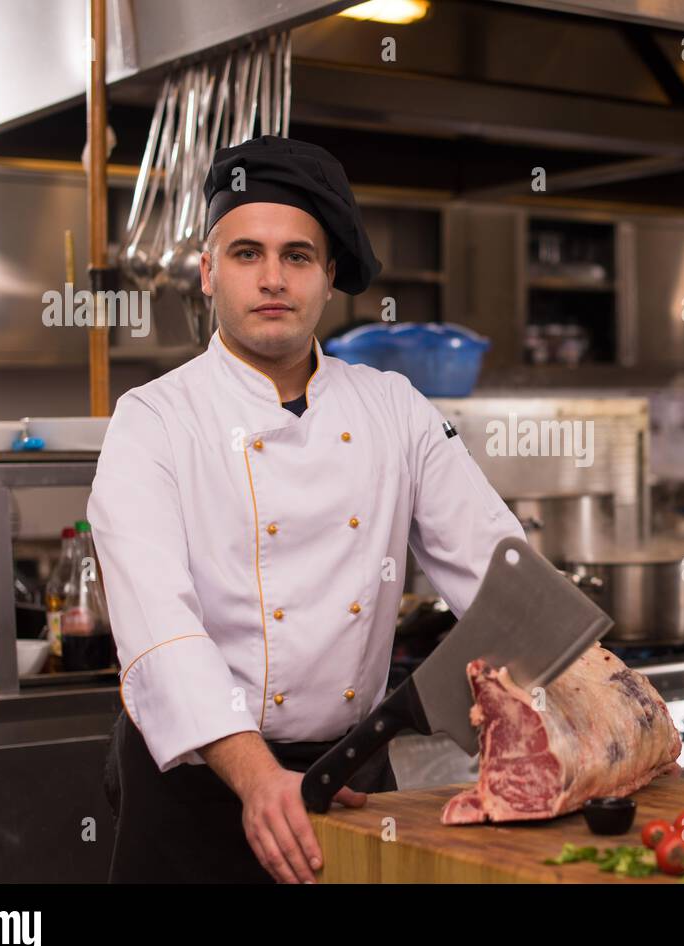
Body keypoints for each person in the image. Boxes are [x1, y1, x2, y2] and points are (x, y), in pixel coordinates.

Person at [90, 135, 525, 883]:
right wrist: (257, 779)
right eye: (246, 253)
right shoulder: (153, 419)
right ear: (207, 273)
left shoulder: (394, 407)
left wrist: (594, 685)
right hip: (194, 787)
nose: (272, 279)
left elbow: (498, 570)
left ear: (328, 278)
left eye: (297, 257)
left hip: (349, 781)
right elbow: (160, 631)